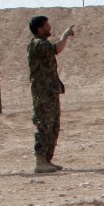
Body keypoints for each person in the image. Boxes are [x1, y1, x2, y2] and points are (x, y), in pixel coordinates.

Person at [27, 15, 75, 173]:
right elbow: (57, 49)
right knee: (44, 125)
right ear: (40, 29)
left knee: (53, 126)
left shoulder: (42, 43)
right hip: (43, 93)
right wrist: (65, 36)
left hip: (50, 91)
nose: (49, 27)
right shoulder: (38, 44)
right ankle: (40, 161)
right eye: (47, 26)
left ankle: (47, 160)